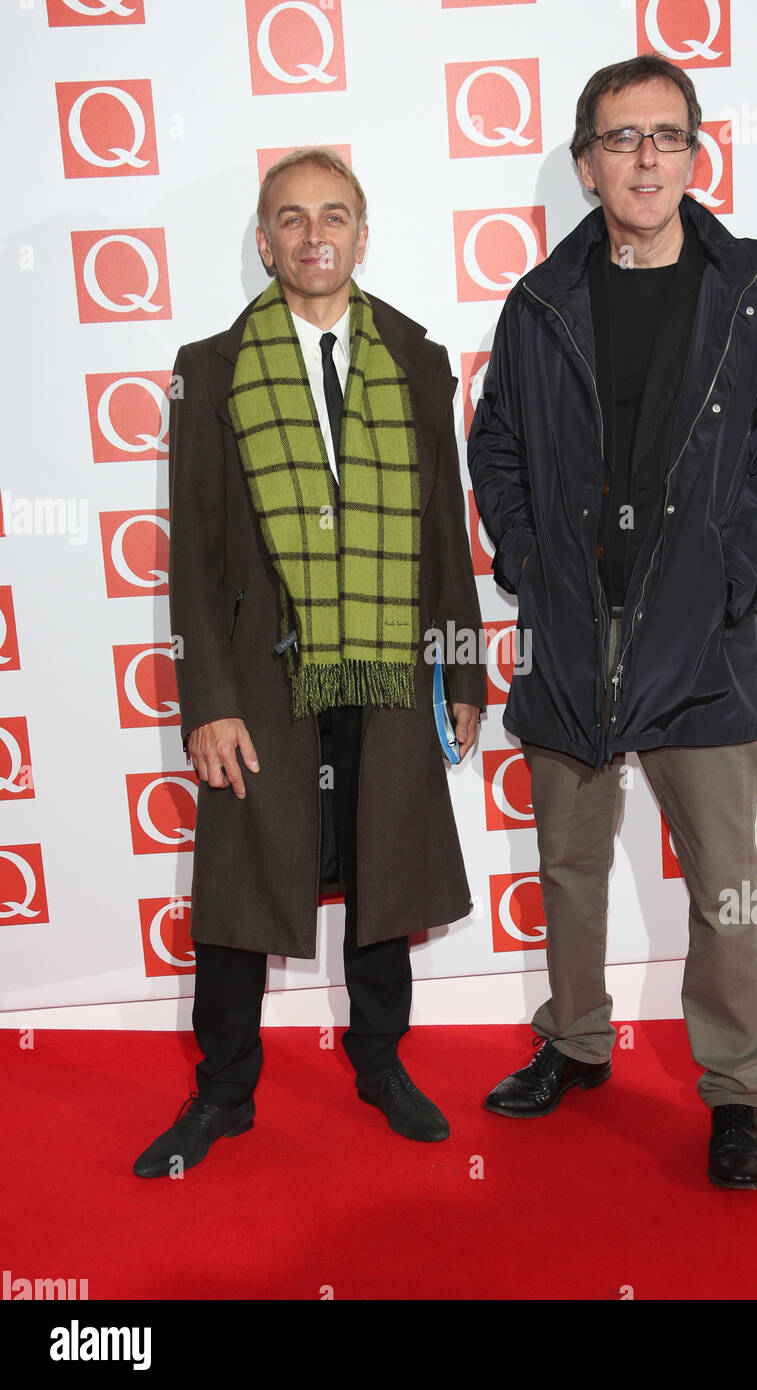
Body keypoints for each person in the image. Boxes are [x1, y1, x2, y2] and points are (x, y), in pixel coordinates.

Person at [468, 56, 757, 1189]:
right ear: (585, 164)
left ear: (693, 153)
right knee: (568, 867)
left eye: (664, 137)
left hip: (699, 640)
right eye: (620, 139)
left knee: (722, 879)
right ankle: (576, 1043)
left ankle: (734, 1094)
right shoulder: (537, 303)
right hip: (574, 632)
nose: (644, 159)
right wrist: (526, 561)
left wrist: (733, 577)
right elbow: (497, 451)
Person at [134, 147, 484, 1177]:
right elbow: (192, 549)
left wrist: (461, 670)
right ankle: (224, 1093)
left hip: (383, 666)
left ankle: (380, 1064)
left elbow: (442, 536)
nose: (313, 233)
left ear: (362, 236)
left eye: (334, 214)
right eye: (290, 218)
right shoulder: (211, 368)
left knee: (386, 863)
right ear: (263, 241)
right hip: (260, 670)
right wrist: (207, 698)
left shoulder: (417, 361)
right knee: (242, 888)